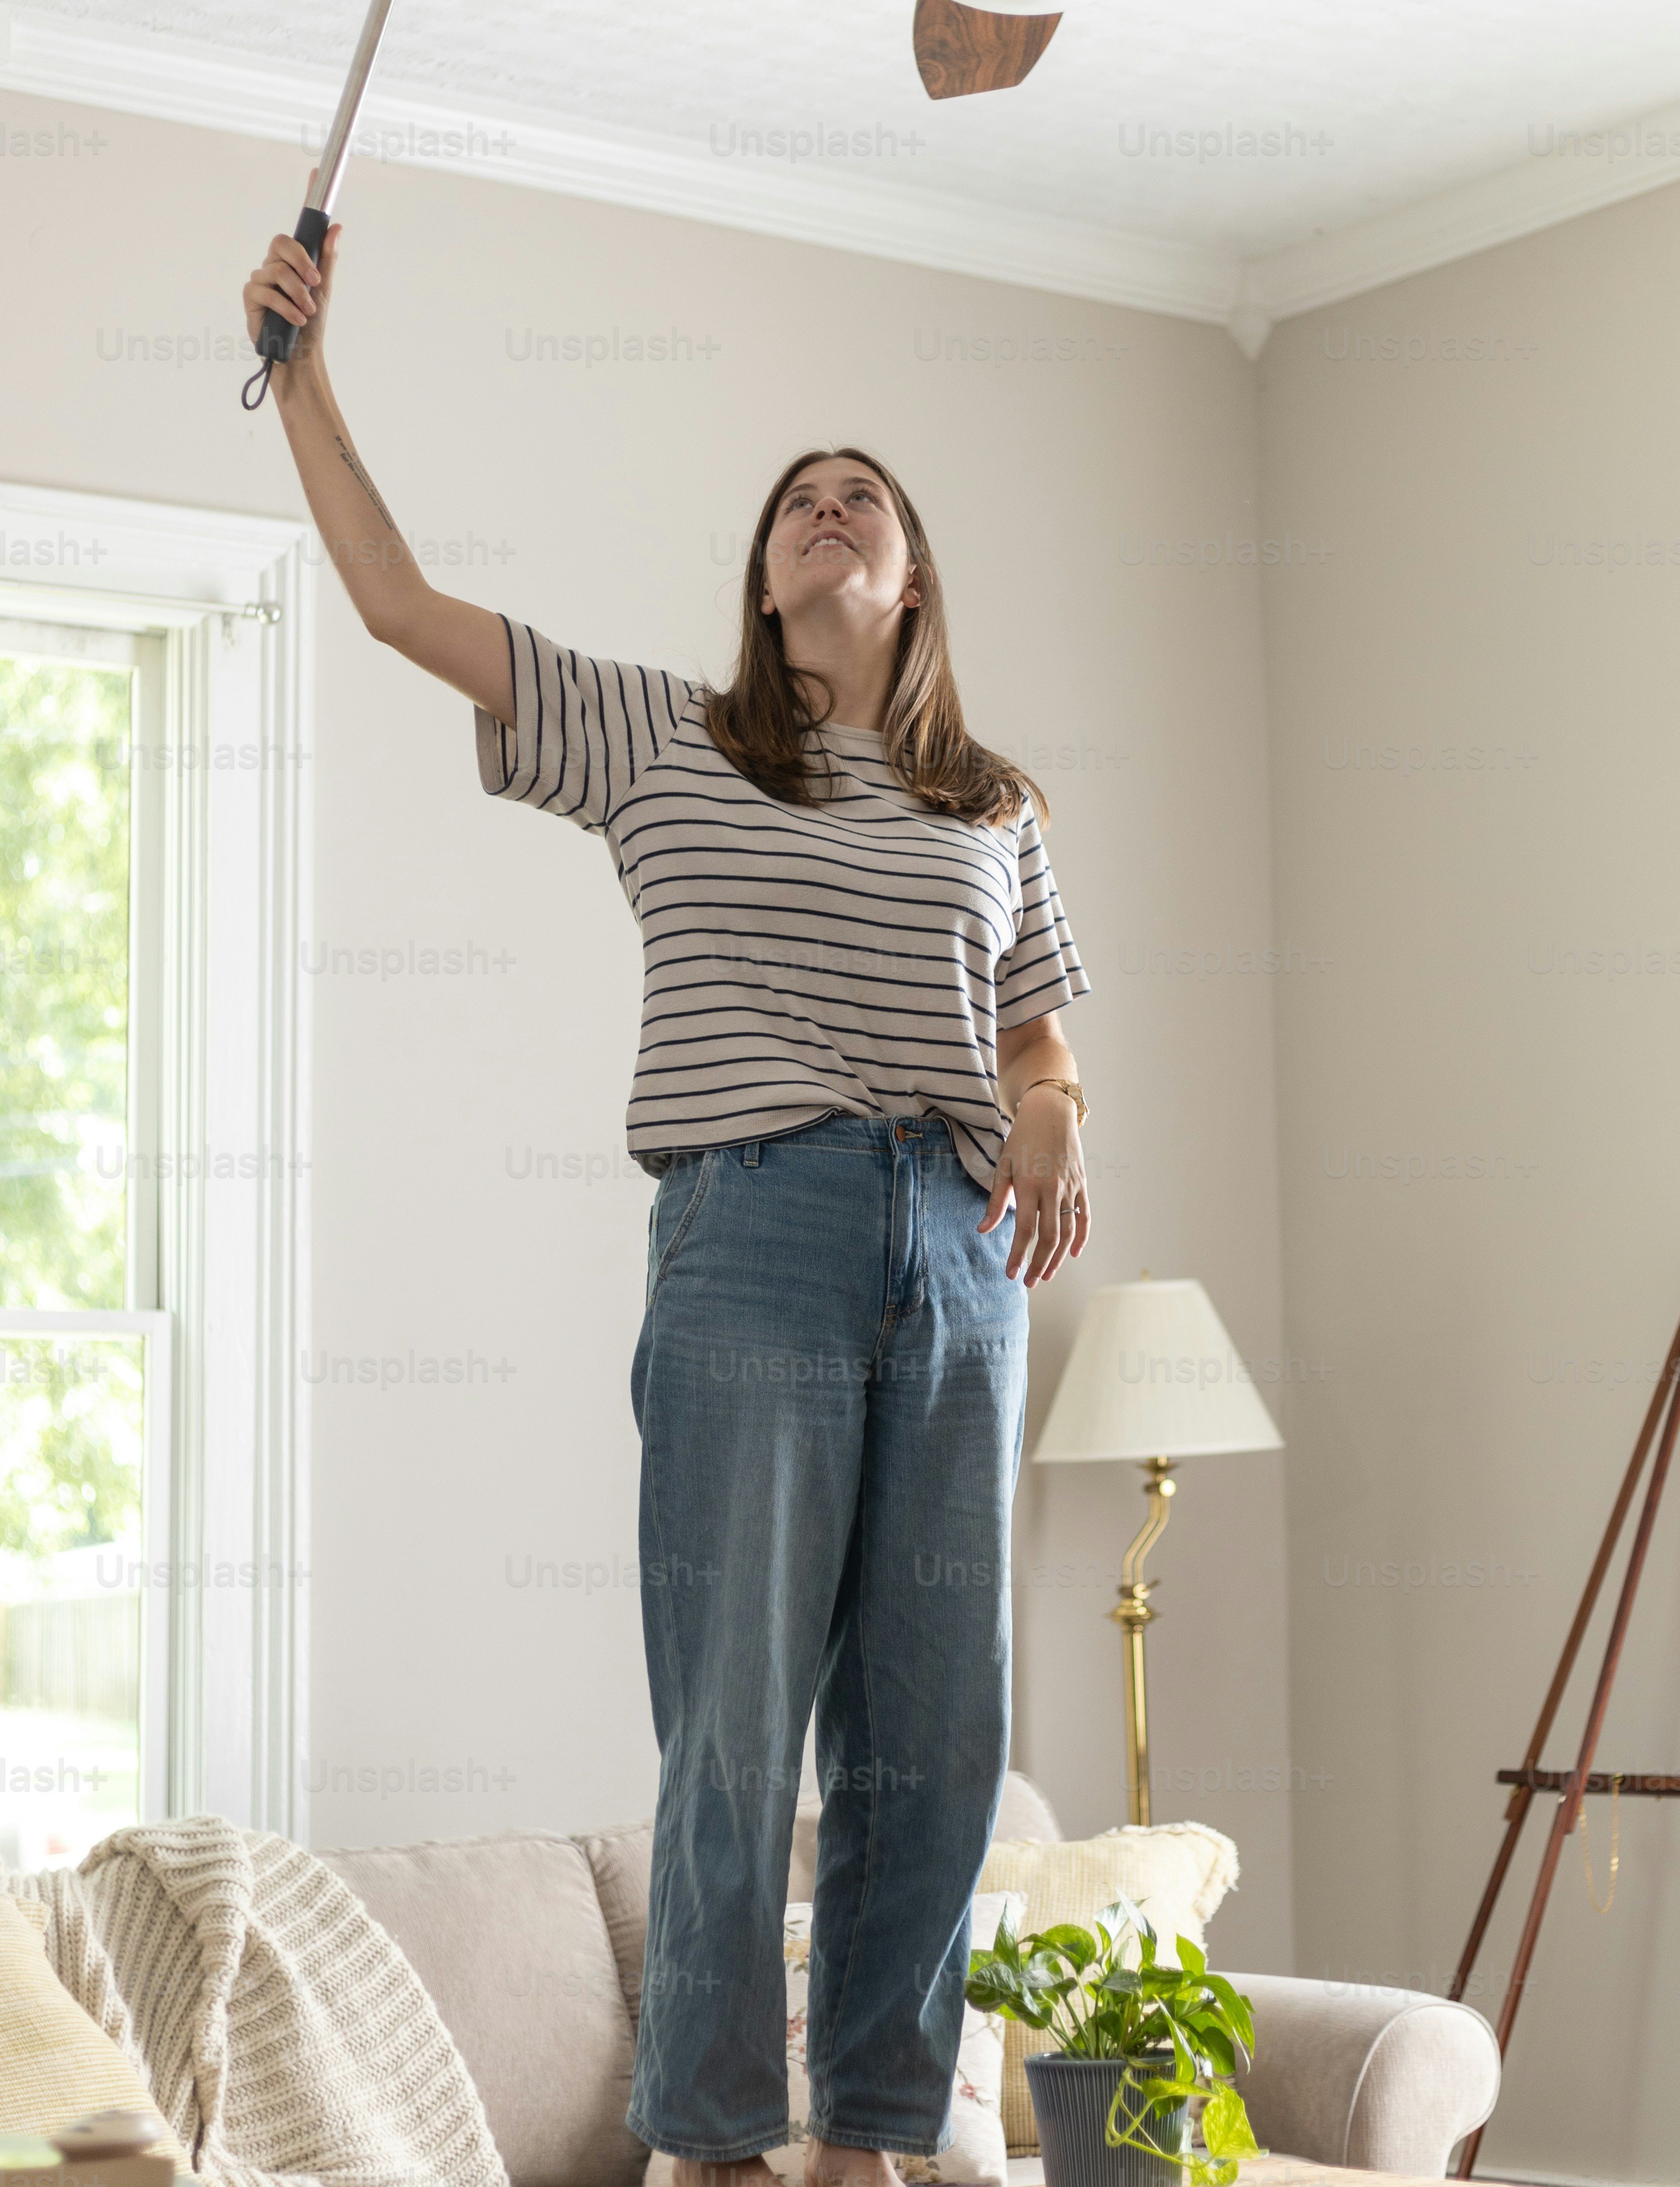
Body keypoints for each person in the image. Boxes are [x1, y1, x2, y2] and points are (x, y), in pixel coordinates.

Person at [244, 221, 1092, 2187]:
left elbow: (1045, 1050)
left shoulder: (998, 808)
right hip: (756, 1234)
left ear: (909, 575)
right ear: (764, 574)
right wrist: (298, 369)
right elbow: (394, 605)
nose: (822, 512)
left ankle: (870, 2135)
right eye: (795, 502)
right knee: (736, 1728)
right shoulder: (667, 737)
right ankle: (712, 2145)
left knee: (938, 1729)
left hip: (962, 1266)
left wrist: (1055, 1125)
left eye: (858, 498)